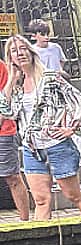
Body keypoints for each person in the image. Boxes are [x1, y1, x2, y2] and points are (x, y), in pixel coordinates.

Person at [0, 36, 81, 220]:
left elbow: (80, 101)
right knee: (41, 200)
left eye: (23, 49)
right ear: (10, 58)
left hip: (57, 145)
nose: (19, 53)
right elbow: (6, 111)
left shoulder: (50, 78)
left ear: (31, 52)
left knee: (73, 196)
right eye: (14, 51)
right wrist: (11, 79)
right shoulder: (17, 86)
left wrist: (72, 127)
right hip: (32, 149)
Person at [0, 56, 29, 220]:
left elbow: (7, 99)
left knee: (12, 177)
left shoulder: (1, 68)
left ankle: (25, 222)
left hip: (3, 131)